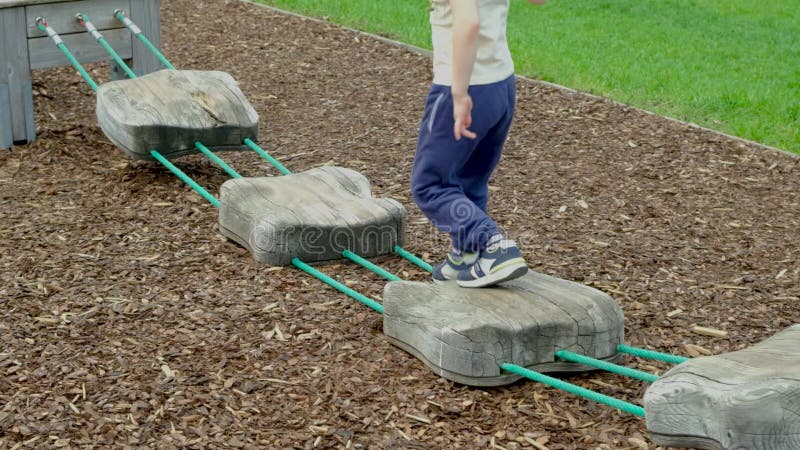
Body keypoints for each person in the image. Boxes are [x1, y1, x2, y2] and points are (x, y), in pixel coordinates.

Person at [411, 0, 545, 288]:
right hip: (500, 86)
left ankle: (492, 246)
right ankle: (465, 256)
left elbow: (468, 23)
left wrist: (459, 94)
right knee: (469, 178)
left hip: (464, 88)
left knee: (430, 184)